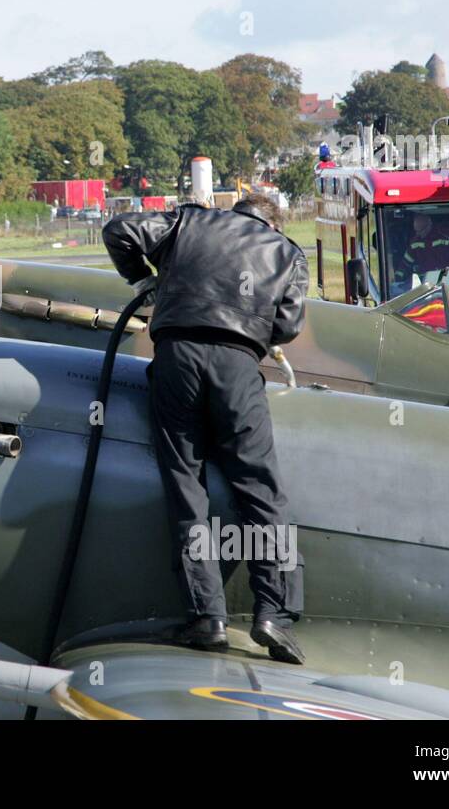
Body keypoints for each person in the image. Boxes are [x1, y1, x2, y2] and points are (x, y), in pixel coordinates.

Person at [102, 193, 309, 664]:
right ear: (273, 222)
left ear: (236, 211)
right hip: (238, 368)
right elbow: (288, 326)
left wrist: (144, 280)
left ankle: (207, 617)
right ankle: (272, 612)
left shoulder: (189, 222)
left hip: (176, 358)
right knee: (261, 490)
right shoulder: (287, 253)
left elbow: (119, 230)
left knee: (185, 487)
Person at [400, 212, 449, 281]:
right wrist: (397, 278)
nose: (418, 234)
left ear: (429, 225)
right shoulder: (415, 241)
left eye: (421, 231)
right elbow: (405, 264)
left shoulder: (446, 236)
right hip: (424, 285)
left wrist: (448, 272)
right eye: (416, 231)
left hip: (447, 281)